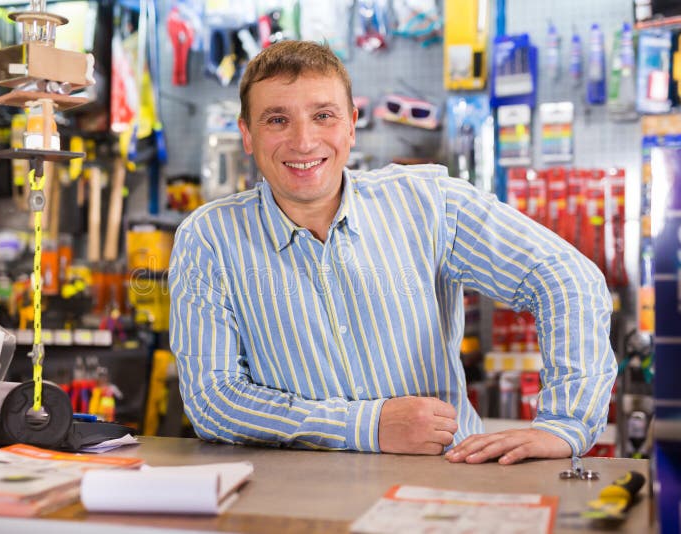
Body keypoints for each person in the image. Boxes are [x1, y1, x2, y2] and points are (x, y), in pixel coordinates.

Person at [168, 40, 616, 464]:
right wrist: (366, 425)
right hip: (299, 493)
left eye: (323, 115)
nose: (303, 142)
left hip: (446, 480)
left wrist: (565, 423)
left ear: (351, 125)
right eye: (277, 120)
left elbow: (566, 279)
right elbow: (214, 399)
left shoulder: (431, 202)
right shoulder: (209, 238)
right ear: (247, 134)